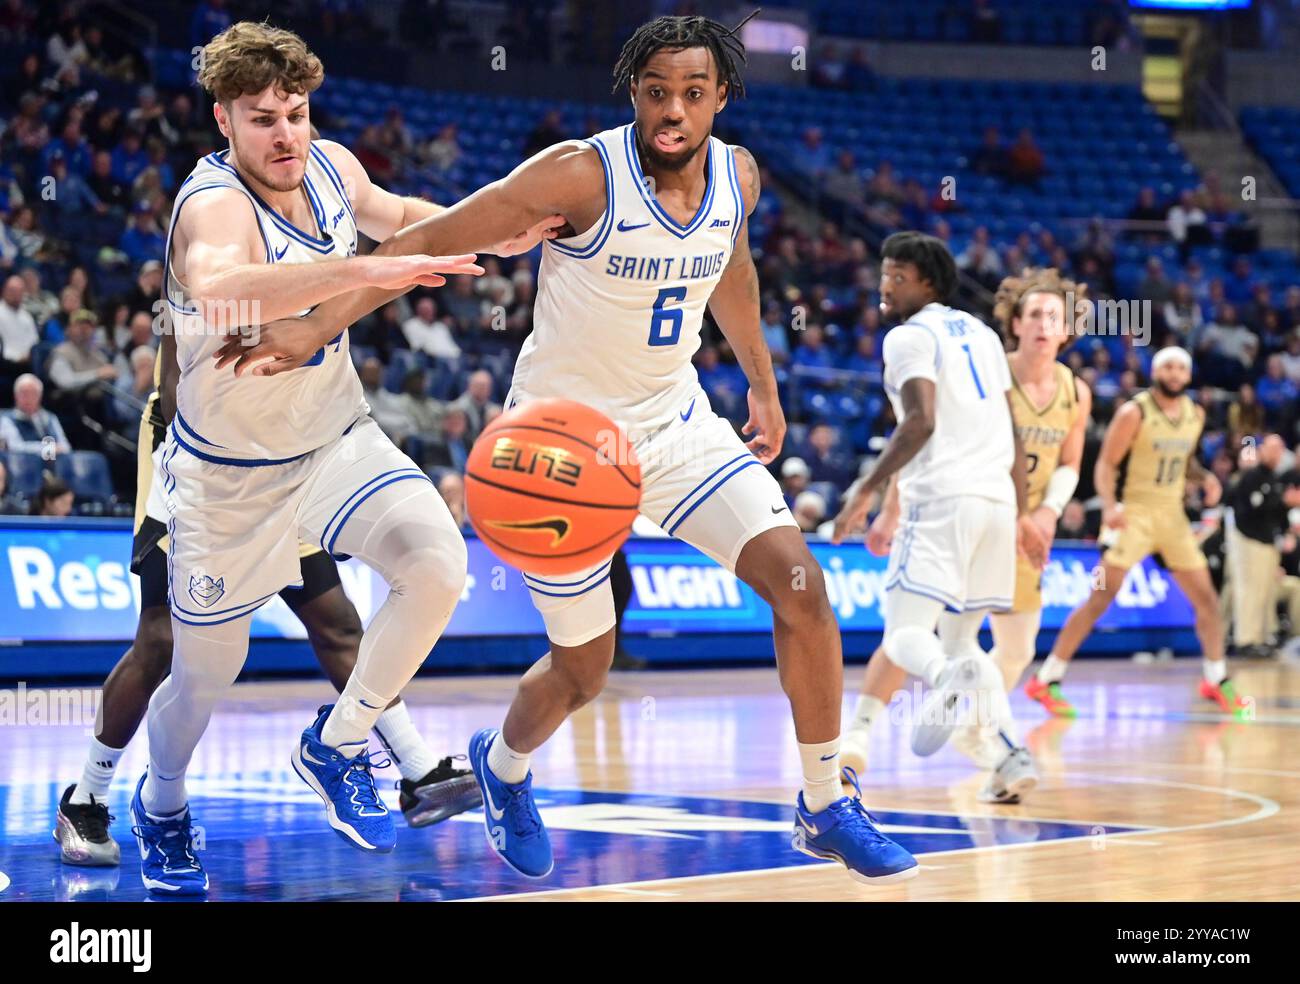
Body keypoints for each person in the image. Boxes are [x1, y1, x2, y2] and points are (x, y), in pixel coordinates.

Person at [217, 13, 918, 886]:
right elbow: (431, 241)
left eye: (694, 94)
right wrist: (314, 328)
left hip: (675, 425)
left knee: (802, 589)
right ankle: (504, 767)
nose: (673, 111)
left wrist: (764, 388)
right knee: (586, 667)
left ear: (722, 97)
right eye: (657, 91)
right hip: (558, 448)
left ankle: (823, 802)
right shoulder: (579, 173)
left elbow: (732, 270)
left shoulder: (739, 174)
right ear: (633, 92)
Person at [123, 21, 558, 896]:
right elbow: (219, 284)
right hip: (228, 480)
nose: (285, 134)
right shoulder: (211, 205)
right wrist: (363, 275)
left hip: (335, 442)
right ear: (223, 122)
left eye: (296, 112)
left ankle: (340, 741)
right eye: (261, 119)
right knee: (205, 674)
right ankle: (160, 802)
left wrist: (486, 232)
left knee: (437, 564)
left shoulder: (329, 165)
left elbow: (395, 218)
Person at [52, 346, 483, 870]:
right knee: (163, 639)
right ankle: (88, 795)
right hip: (200, 455)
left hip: (290, 448)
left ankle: (415, 770)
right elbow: (176, 384)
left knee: (337, 622)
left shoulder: (325, 270)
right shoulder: (209, 272)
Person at [839, 268, 1091, 795]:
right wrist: (890, 507)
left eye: (1055, 317)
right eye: (1034, 315)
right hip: (965, 508)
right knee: (922, 631)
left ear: (1068, 329)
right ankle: (880, 734)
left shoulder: (1074, 389)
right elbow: (922, 431)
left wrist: (1047, 513)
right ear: (1014, 324)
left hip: (1019, 527)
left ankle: (974, 727)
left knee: (1011, 651)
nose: (1045, 325)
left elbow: (1070, 461)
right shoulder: (986, 368)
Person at [1027, 348, 1240, 715]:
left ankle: (1215, 677)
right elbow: (1106, 465)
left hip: (1172, 518)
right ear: (1156, 372)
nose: (1174, 373)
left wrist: (1204, 478)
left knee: (1206, 599)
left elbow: (1184, 461)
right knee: (1099, 597)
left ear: (1188, 377)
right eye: (1167, 367)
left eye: (1180, 368)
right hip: (1134, 515)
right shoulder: (1134, 412)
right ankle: (1047, 678)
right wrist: (1110, 505)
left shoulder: (1195, 414)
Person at [1224, 434, 1300, 658]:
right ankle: (1245, 640)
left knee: (1265, 593)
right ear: (1262, 450)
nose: (1275, 454)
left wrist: (1284, 524)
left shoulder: (1275, 478)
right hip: (1250, 541)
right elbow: (1252, 509)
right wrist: (1284, 502)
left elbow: (1276, 513)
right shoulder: (1252, 476)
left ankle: (1260, 638)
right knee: (1250, 592)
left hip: (1267, 543)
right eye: (1271, 449)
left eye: (1279, 450)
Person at [0, 373, 71, 455]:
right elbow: (15, 447)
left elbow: (65, 447)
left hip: (50, 466)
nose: (29, 398)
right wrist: (48, 448)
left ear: (40, 395)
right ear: (16, 395)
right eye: (24, 393)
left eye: (33, 393)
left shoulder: (49, 418)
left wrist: (55, 449)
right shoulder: (6, 418)